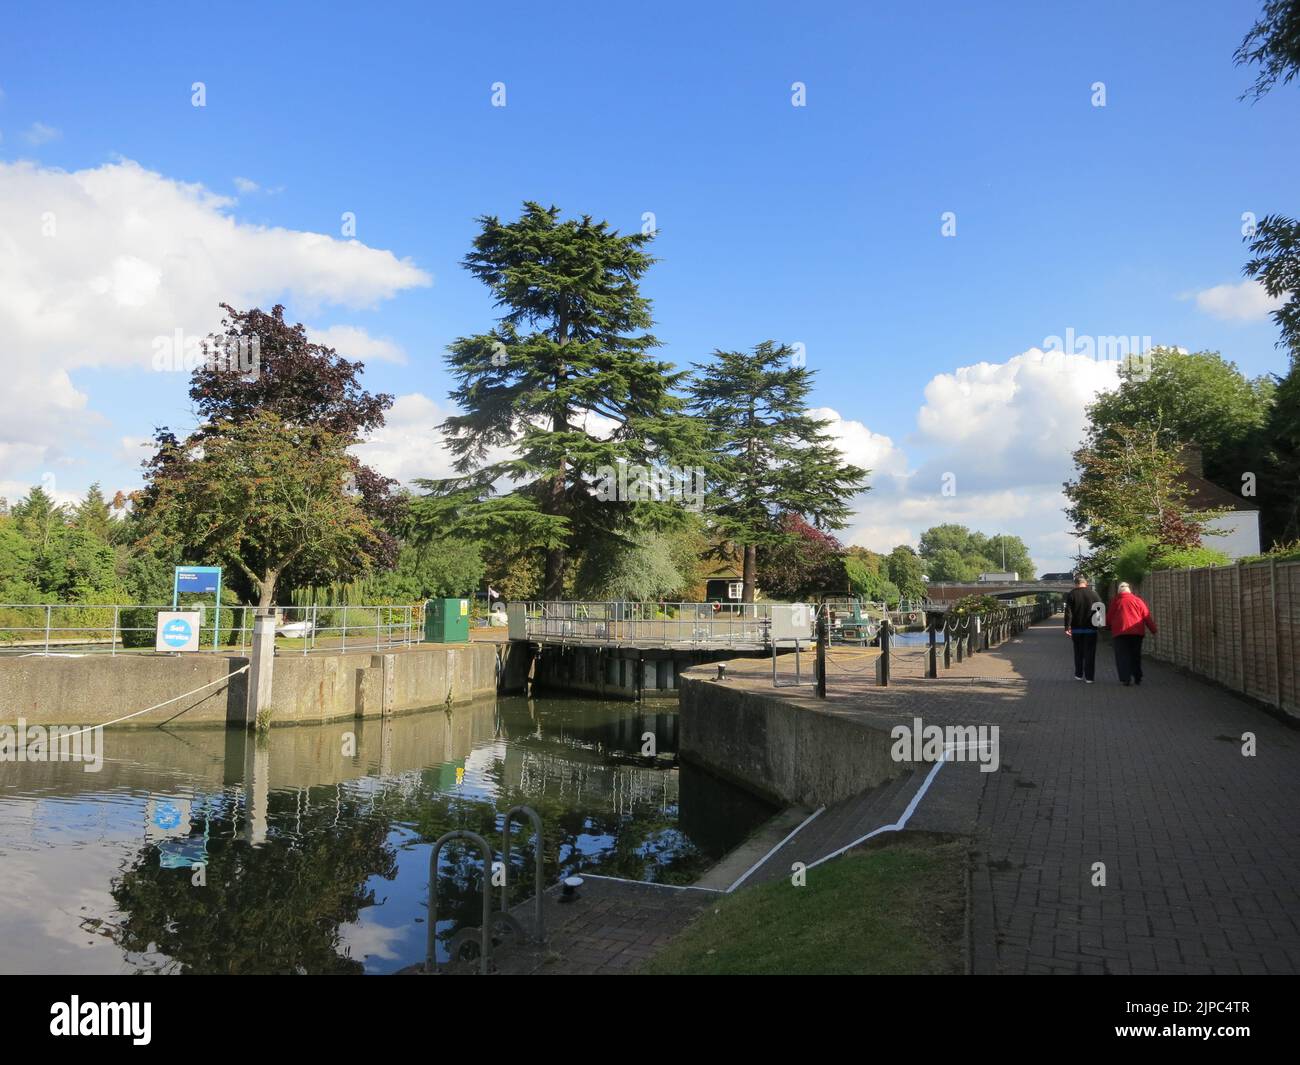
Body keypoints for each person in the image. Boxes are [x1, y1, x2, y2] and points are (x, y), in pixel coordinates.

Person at [1108, 581, 1157, 686]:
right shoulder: (1138, 600)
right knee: (1135, 655)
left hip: (1120, 633)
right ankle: (1137, 676)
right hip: (1136, 633)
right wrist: (1153, 629)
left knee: (1122, 656)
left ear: (1119, 592)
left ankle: (1126, 678)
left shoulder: (1115, 602)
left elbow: (1109, 617)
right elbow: (1146, 616)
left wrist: (1106, 626)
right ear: (1129, 591)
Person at [1063, 575, 1103, 683]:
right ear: (1086, 583)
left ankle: (1079, 674)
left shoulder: (1072, 594)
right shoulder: (1094, 594)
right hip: (1091, 629)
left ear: (1075, 584)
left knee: (1078, 652)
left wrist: (1067, 626)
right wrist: (1099, 624)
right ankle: (1089, 677)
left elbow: (1068, 612)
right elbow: (1100, 609)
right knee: (1090, 653)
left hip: (1076, 629)